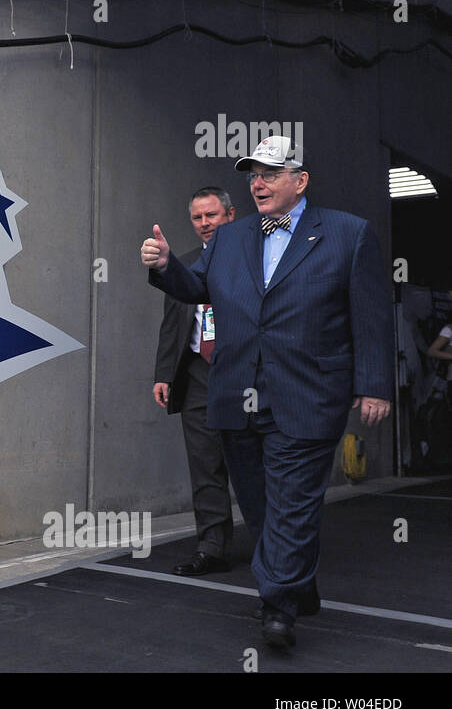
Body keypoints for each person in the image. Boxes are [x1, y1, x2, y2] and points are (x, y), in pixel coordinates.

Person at [140, 135, 393, 650]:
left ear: (300, 182)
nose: (258, 182)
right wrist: (167, 265)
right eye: (253, 174)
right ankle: (298, 582)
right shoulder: (229, 240)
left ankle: (276, 605)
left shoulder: (349, 234)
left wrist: (373, 384)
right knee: (258, 505)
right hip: (237, 394)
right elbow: (196, 291)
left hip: (309, 395)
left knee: (292, 503)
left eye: (271, 173)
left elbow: (370, 317)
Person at [153, 187, 236, 576]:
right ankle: (212, 548)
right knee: (205, 466)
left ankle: (277, 549)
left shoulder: (254, 262)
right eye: (198, 218)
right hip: (197, 375)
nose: (204, 224)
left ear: (230, 216)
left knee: (254, 465)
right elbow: (173, 327)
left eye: (212, 215)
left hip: (243, 376)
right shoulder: (181, 265)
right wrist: (164, 375)